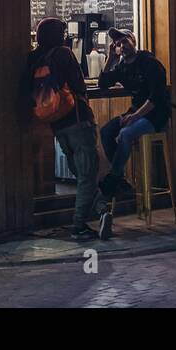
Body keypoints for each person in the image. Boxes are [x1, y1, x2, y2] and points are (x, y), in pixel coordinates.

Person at [23, 17, 111, 241]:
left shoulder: (34, 57)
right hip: (79, 120)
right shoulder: (63, 53)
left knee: (82, 173)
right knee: (87, 173)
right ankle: (79, 225)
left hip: (56, 124)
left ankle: (102, 212)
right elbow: (79, 84)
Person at [97, 28, 171, 200]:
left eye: (124, 41)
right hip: (136, 113)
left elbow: (156, 98)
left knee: (125, 133)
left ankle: (114, 178)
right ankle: (120, 179)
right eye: (117, 44)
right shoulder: (122, 67)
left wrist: (134, 116)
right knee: (106, 132)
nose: (121, 46)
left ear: (133, 41)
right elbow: (103, 84)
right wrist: (111, 58)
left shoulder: (150, 63)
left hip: (156, 115)